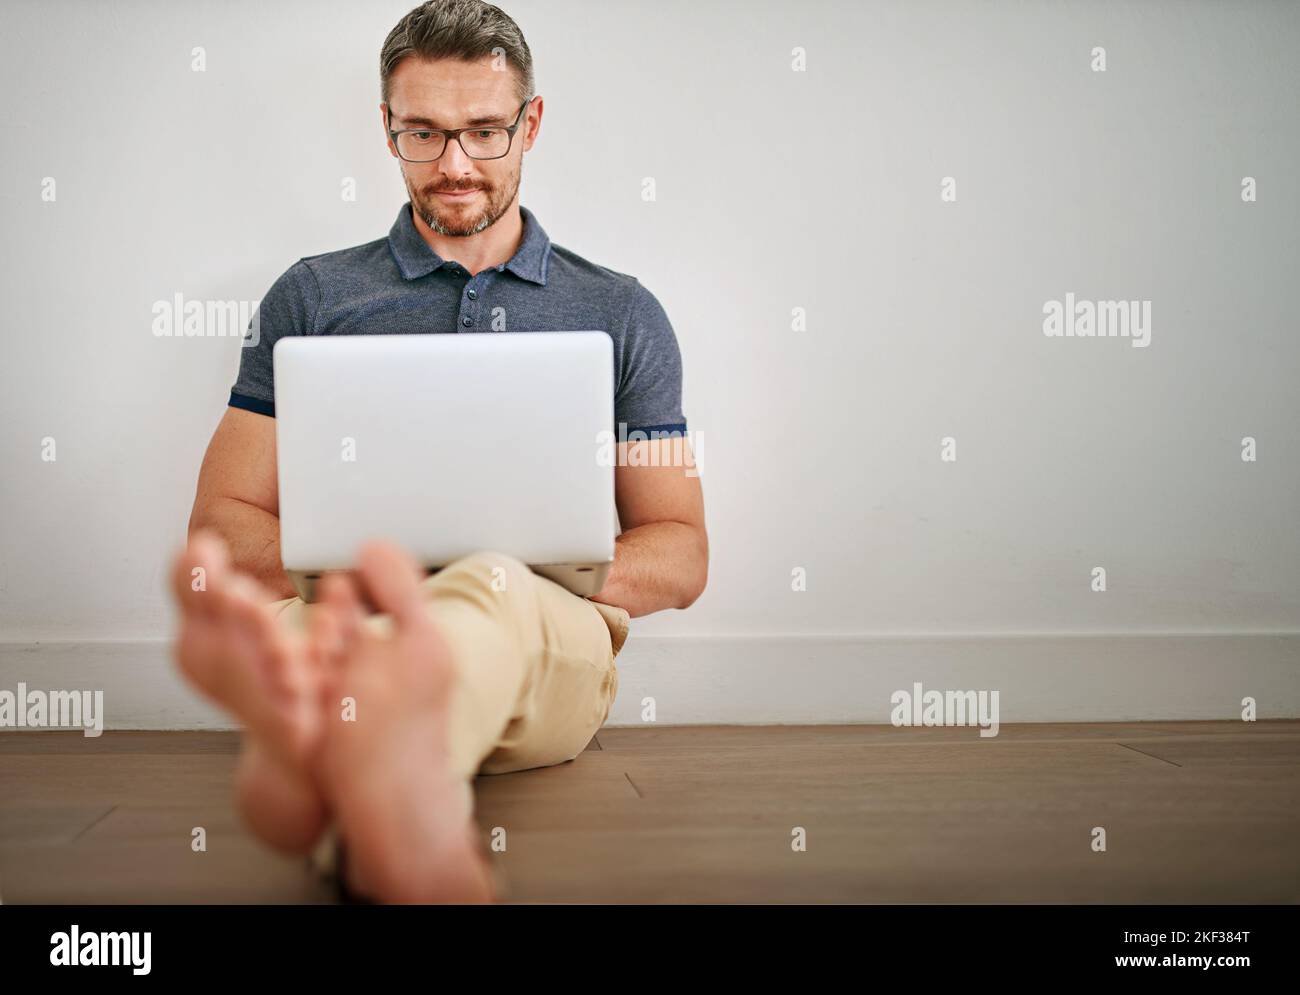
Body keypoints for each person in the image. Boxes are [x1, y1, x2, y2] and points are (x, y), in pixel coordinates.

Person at [170, 0, 707, 903]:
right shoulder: (311, 298)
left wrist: (493, 574)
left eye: (486, 132)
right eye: (423, 133)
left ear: (531, 123)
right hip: (353, 620)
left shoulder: (621, 312)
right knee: (336, 642)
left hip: (543, 649)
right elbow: (220, 530)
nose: (456, 165)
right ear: (387, 128)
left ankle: (365, 778)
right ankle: (388, 803)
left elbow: (682, 552)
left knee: (481, 603)